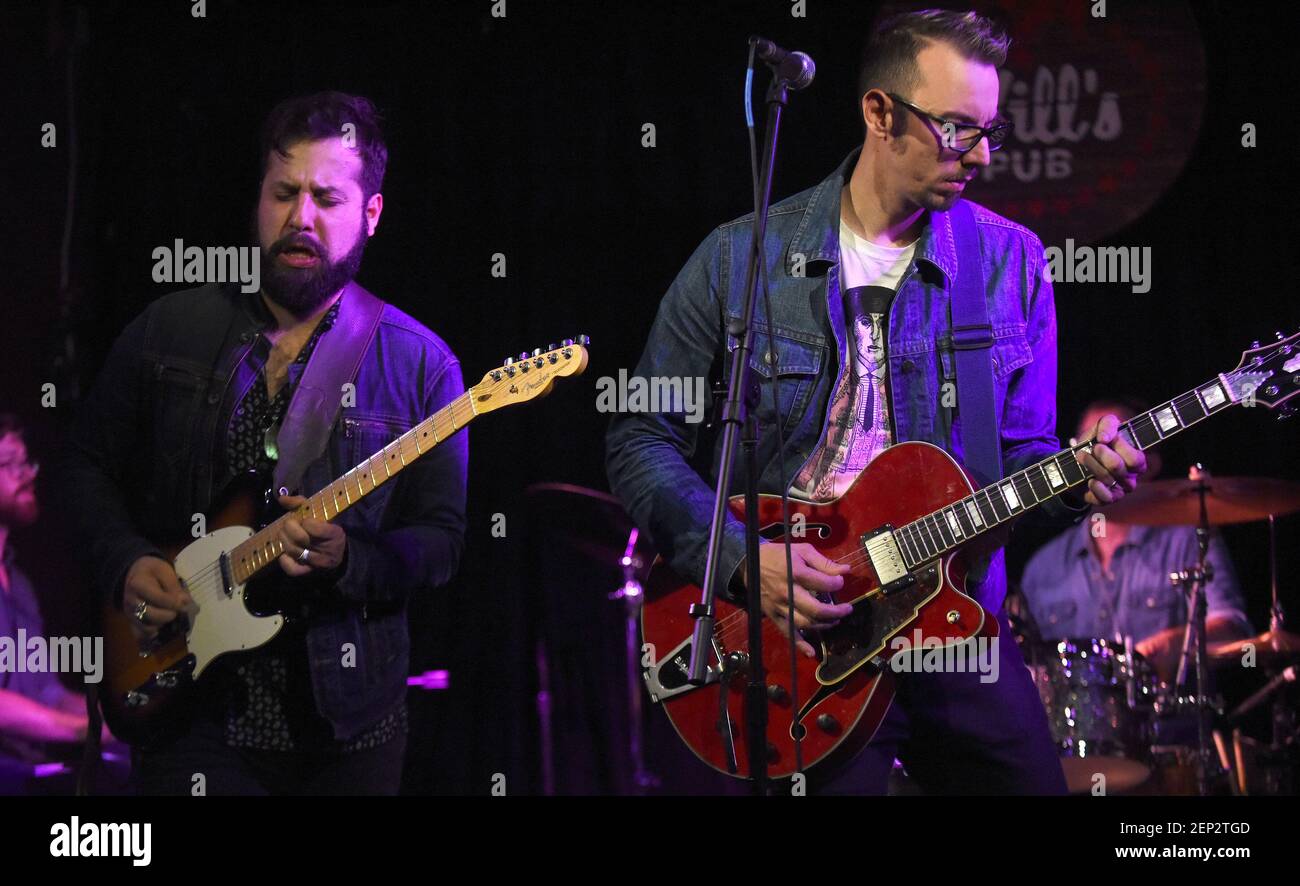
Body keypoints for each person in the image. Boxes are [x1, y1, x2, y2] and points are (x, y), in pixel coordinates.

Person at [606, 9, 1145, 795]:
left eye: (991, 130)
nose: (983, 154)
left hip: (952, 627)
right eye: (958, 129)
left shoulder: (1010, 261)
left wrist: (1078, 479)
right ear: (879, 112)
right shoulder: (738, 258)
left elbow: (1023, 462)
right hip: (797, 640)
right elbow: (639, 437)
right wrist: (738, 564)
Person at [62, 92, 468, 795]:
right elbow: (82, 467)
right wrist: (125, 563)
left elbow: (441, 542)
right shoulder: (169, 328)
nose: (299, 217)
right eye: (283, 193)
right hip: (190, 719)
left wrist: (350, 562)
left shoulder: (424, 365)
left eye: (326, 199)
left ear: (371, 214)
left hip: (347, 735)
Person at [1019, 399, 1252, 683]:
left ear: (1149, 462)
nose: (1096, 458)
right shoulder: (1042, 567)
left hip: (1168, 722)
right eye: (1083, 447)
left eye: (1115, 445)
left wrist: (1175, 644)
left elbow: (1234, 631)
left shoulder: (1186, 540)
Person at [0, 414, 106, 794]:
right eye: (9, 464)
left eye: (26, 462)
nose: (28, 474)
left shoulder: (21, 584)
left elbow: (45, 692)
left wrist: (113, 716)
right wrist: (85, 729)